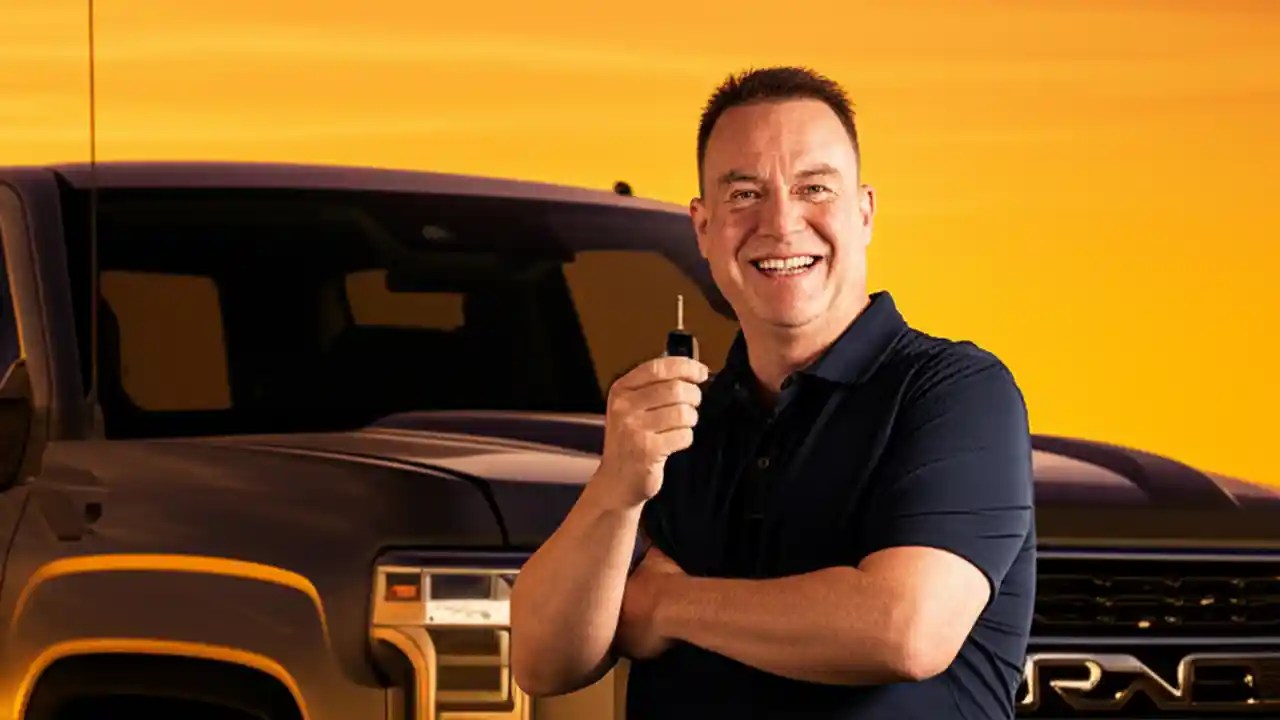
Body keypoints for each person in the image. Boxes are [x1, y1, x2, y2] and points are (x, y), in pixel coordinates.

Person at [510, 65, 1036, 719]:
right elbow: (542, 661)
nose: (781, 223)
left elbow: (906, 629)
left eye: (813, 188)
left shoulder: (952, 393)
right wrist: (618, 486)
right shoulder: (680, 418)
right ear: (702, 228)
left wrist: (665, 603)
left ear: (865, 212)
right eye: (743, 195)